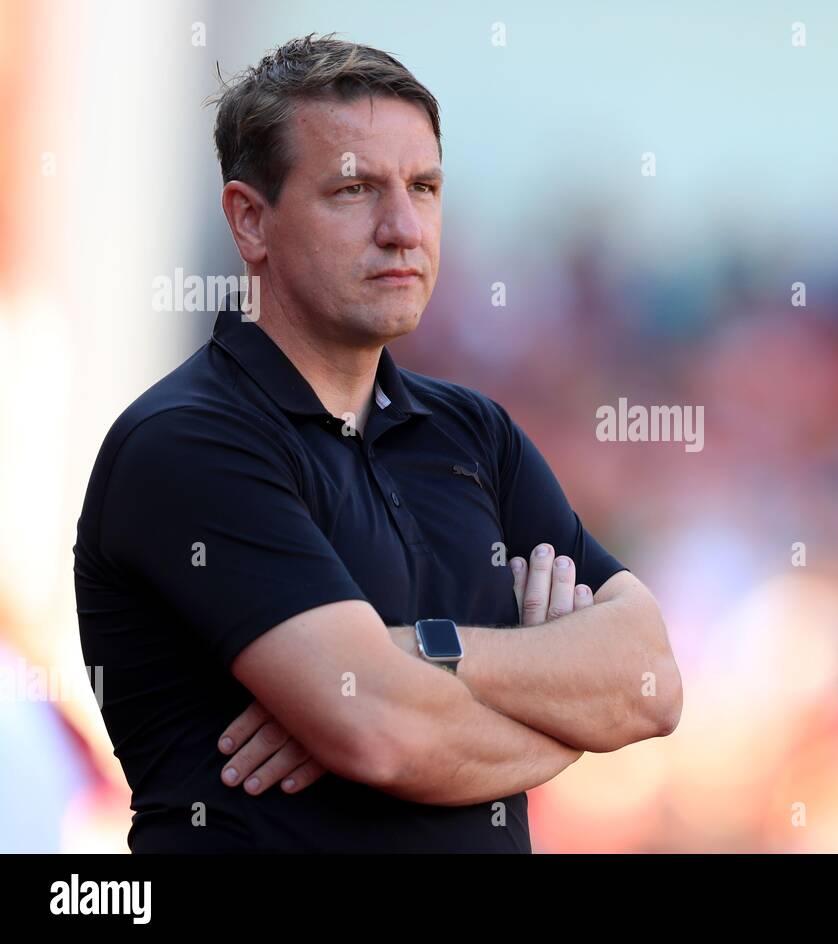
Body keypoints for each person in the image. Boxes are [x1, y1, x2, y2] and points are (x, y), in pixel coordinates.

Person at [72, 33, 681, 853]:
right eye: (355, 189)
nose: (403, 228)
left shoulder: (475, 433)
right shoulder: (186, 443)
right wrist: (559, 706)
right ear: (251, 221)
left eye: (424, 187)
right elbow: (381, 733)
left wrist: (413, 654)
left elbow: (650, 686)